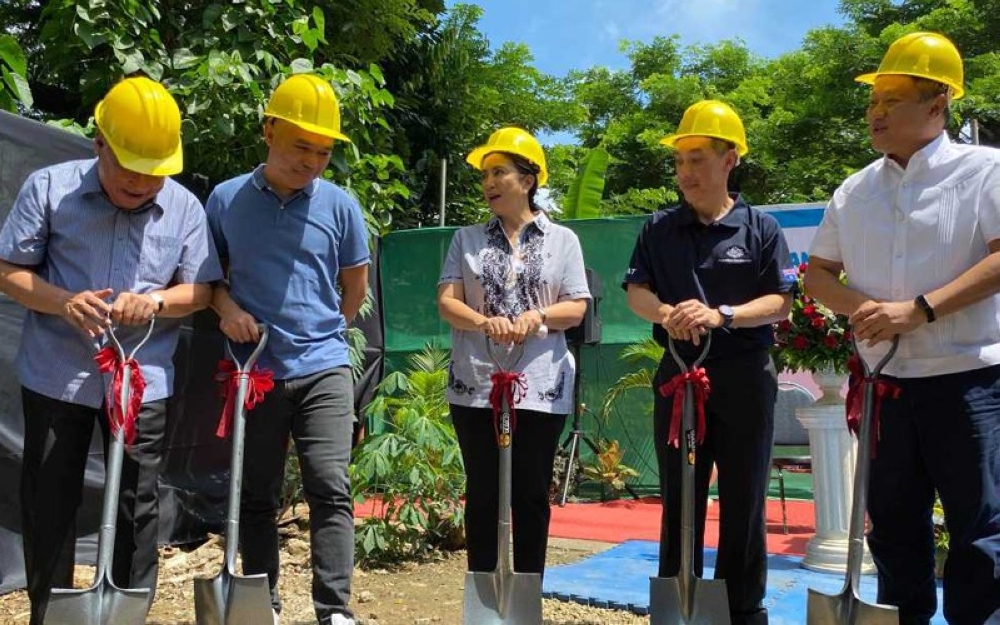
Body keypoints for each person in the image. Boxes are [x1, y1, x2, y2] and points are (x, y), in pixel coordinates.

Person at [0, 76, 222, 623]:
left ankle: (126, 613)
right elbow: (9, 271)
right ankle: (49, 612)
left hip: (142, 380)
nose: (144, 183)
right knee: (49, 500)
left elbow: (201, 289)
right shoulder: (50, 189)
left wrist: (157, 302)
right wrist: (63, 301)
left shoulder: (186, 208)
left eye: (156, 173)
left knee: (137, 505)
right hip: (58, 374)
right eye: (131, 168)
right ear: (99, 141)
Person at [805, 31, 1000, 624]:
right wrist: (863, 306)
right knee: (891, 525)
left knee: (980, 530)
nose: (876, 112)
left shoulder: (985, 171)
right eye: (872, 101)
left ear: (938, 102)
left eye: (892, 98)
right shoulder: (854, 189)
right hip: (886, 385)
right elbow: (816, 276)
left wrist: (919, 309)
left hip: (970, 382)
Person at [206, 73, 369, 625]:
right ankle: (263, 605)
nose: (313, 161)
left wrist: (326, 334)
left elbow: (356, 287)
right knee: (256, 493)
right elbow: (210, 280)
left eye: (324, 151)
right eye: (303, 146)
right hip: (256, 371)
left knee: (330, 485)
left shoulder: (341, 206)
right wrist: (228, 312)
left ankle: (334, 611)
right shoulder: (225, 199)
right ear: (269, 130)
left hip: (324, 366)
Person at [623, 100, 795, 625]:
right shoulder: (659, 228)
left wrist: (723, 314)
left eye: (697, 158)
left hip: (744, 377)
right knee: (680, 497)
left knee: (745, 498)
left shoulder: (761, 228)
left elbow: (780, 302)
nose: (685, 172)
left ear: (730, 159)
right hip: (678, 375)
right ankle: (680, 603)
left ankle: (743, 609)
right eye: (679, 161)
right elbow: (637, 290)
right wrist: (666, 312)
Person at [437, 127, 590, 577]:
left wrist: (537, 317)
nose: (488, 182)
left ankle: (527, 591)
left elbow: (577, 306)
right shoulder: (466, 238)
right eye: (485, 174)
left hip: (541, 384)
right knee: (483, 490)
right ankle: (483, 591)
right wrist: (484, 321)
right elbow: (448, 302)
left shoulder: (564, 240)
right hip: (475, 382)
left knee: (529, 492)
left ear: (528, 179)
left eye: (498, 172)